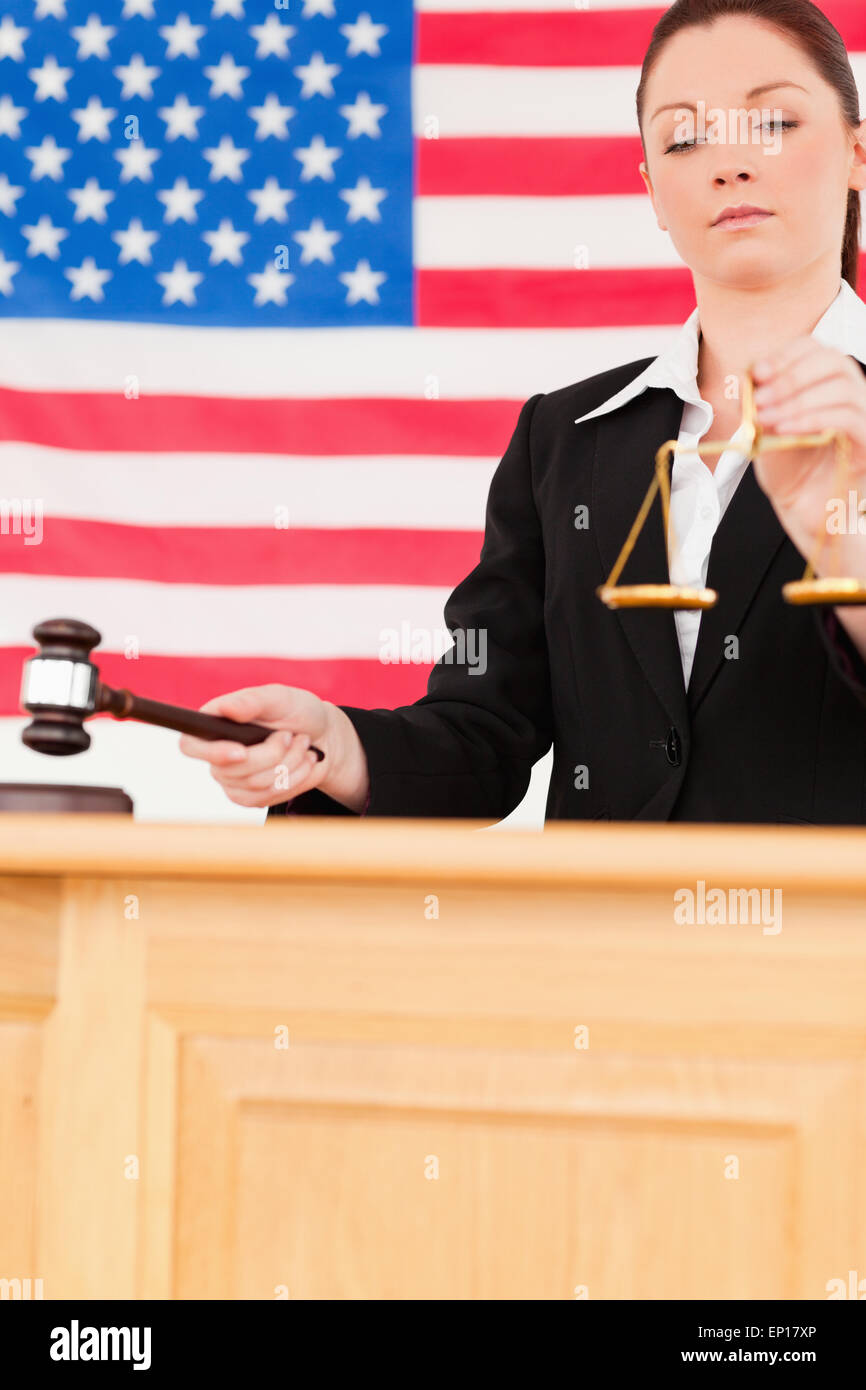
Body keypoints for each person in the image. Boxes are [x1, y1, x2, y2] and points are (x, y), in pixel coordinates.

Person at [179, 0, 866, 826]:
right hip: (594, 942)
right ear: (651, 190)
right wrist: (339, 747)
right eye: (685, 137)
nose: (729, 164)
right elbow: (484, 730)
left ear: (858, 152)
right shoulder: (565, 440)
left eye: (773, 121)